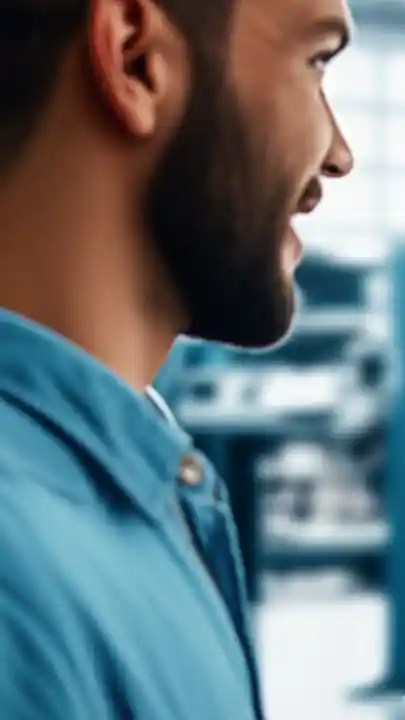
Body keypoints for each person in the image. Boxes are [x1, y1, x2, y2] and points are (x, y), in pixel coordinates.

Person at [0, 0, 354, 717]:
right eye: (315, 60)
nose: (339, 153)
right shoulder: (22, 583)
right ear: (136, 59)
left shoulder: (122, 500)